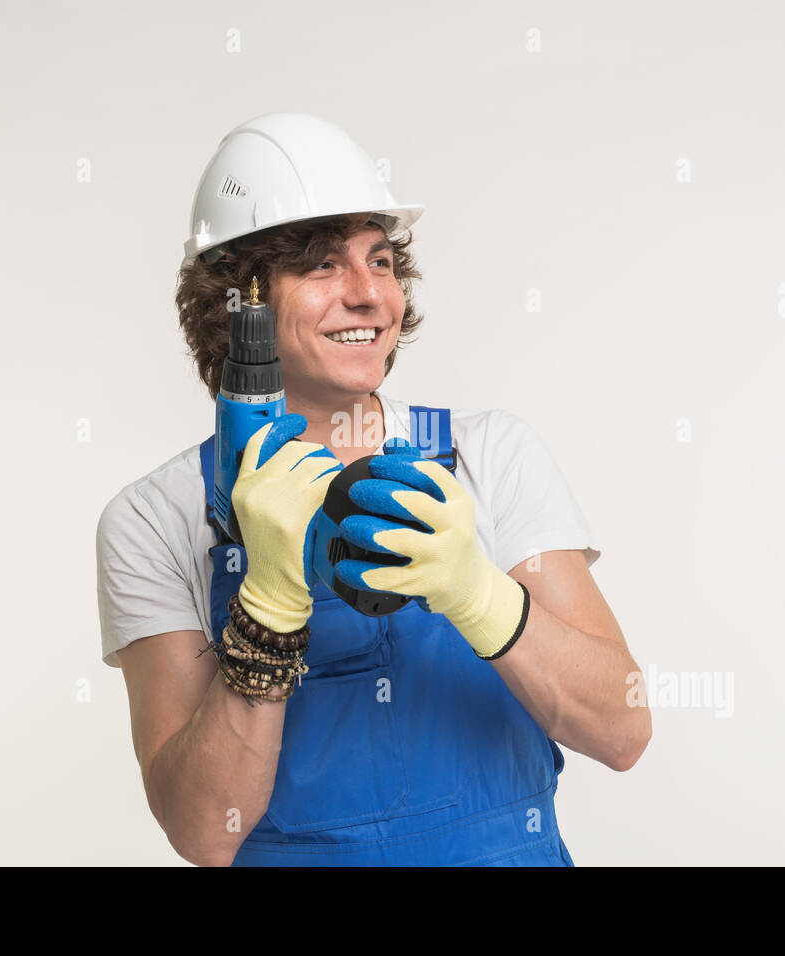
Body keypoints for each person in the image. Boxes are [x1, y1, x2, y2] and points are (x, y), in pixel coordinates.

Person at [95, 113, 650, 866]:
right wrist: (266, 612)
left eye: (381, 261)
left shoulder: (488, 455)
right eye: (322, 266)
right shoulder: (156, 520)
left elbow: (623, 732)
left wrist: (477, 594)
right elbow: (202, 831)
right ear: (241, 302)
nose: (368, 295)